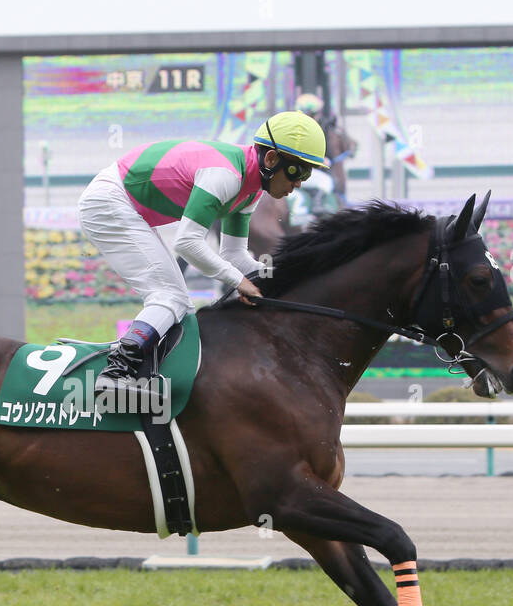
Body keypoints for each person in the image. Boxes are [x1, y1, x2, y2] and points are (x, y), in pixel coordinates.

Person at [78, 111, 328, 397]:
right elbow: (187, 243)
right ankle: (117, 372)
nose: (299, 184)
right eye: (298, 171)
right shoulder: (225, 176)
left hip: (129, 207)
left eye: (307, 174)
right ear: (271, 159)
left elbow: (234, 255)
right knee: (169, 297)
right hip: (108, 202)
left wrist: (278, 277)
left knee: (180, 306)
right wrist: (239, 281)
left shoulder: (251, 190)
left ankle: (144, 371)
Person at [296, 93, 358, 209]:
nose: (317, 117)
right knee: (325, 181)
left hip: (299, 168)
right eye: (314, 114)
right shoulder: (302, 131)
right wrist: (319, 160)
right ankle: (317, 207)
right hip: (297, 169)